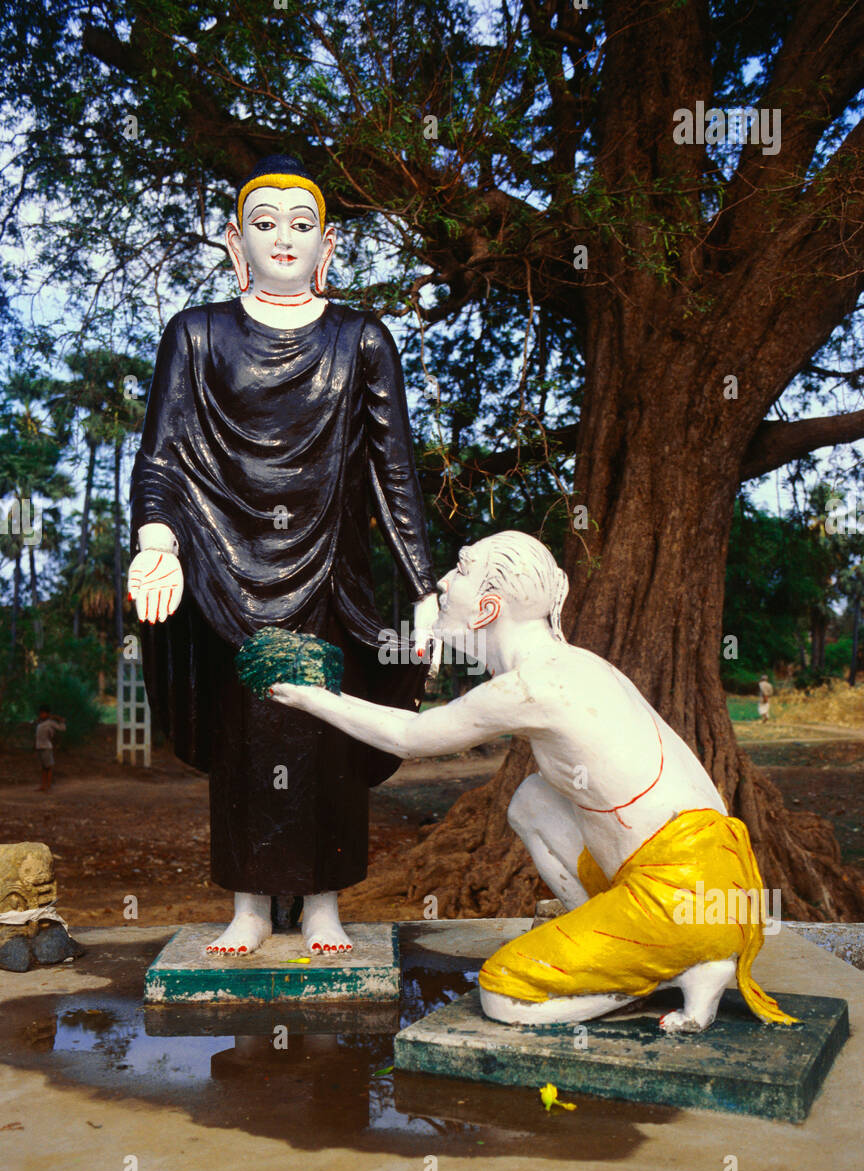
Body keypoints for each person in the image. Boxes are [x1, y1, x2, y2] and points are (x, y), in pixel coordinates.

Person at [270, 530, 796, 1032]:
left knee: (504, 993)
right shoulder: (577, 664)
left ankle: (658, 966)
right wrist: (427, 631)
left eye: (459, 571)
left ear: (490, 608)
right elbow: (443, 666)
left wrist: (309, 697)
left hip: (681, 892)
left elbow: (411, 736)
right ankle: (660, 951)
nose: (443, 584)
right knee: (533, 800)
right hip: (713, 880)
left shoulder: (532, 686)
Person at [129, 154, 438, 958]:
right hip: (227, 571)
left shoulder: (361, 338)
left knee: (326, 736)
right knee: (248, 738)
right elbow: (162, 455)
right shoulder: (195, 334)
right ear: (237, 245)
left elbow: (393, 468)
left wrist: (425, 588)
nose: (285, 240)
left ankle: (327, 902)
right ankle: (251, 905)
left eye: (302, 226)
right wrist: (157, 538)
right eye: (266, 225)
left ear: (328, 245)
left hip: (331, 569)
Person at [34, 705, 66, 792]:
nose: (41, 714)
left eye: (43, 713)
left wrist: (61, 721)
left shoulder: (50, 723)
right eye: (40, 713)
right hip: (39, 747)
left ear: (47, 714)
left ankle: (48, 786)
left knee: (49, 767)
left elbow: (62, 729)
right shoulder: (40, 723)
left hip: (46, 747)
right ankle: (43, 786)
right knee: (43, 767)